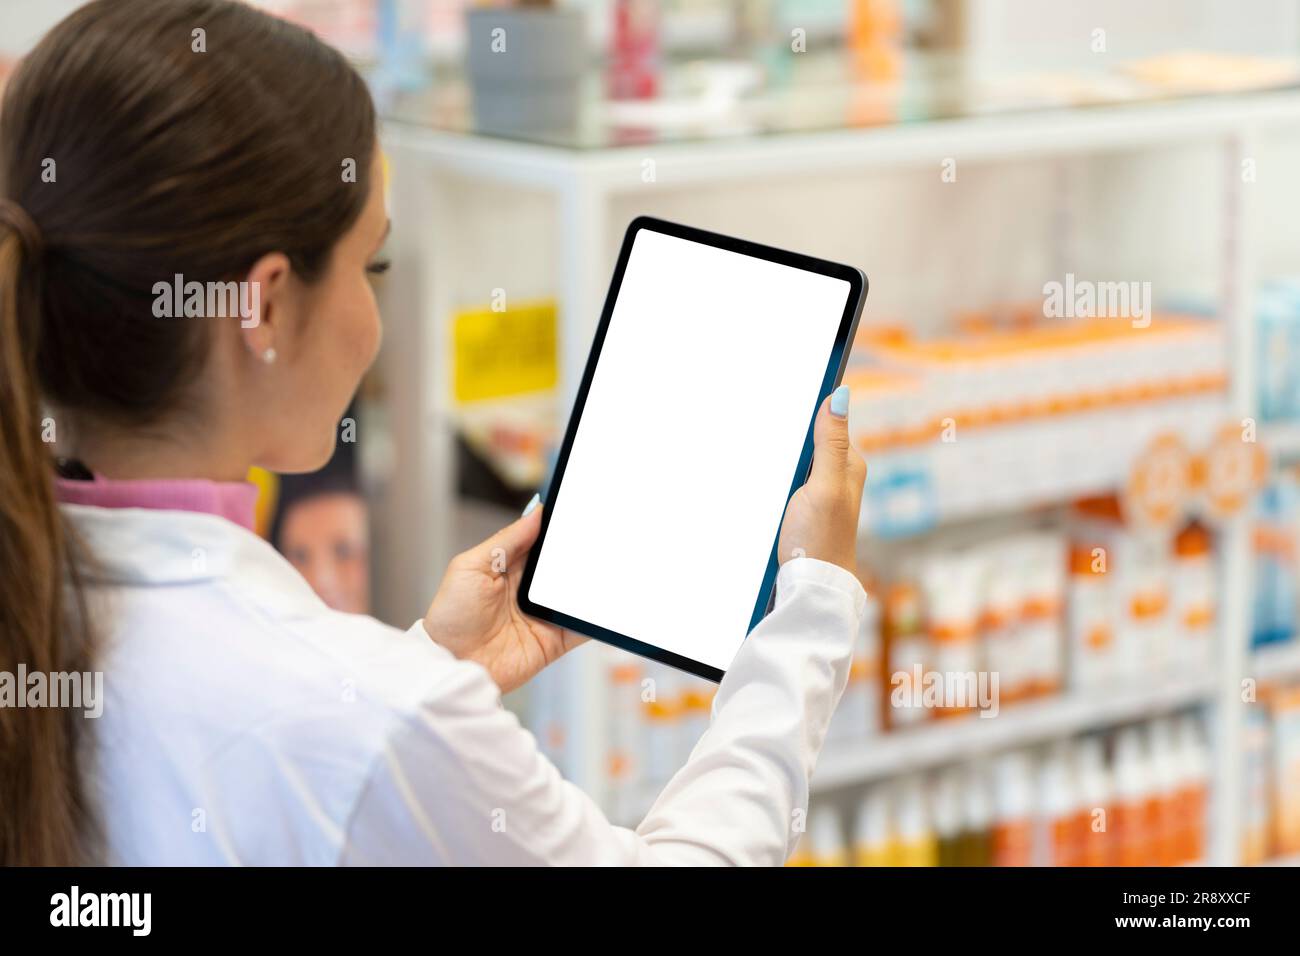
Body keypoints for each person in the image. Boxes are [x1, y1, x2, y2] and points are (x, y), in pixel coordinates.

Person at [0, 0, 868, 866]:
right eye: (370, 264)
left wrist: (434, 665)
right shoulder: (373, 722)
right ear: (260, 307)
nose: (375, 318)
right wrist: (814, 602)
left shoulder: (40, 593)